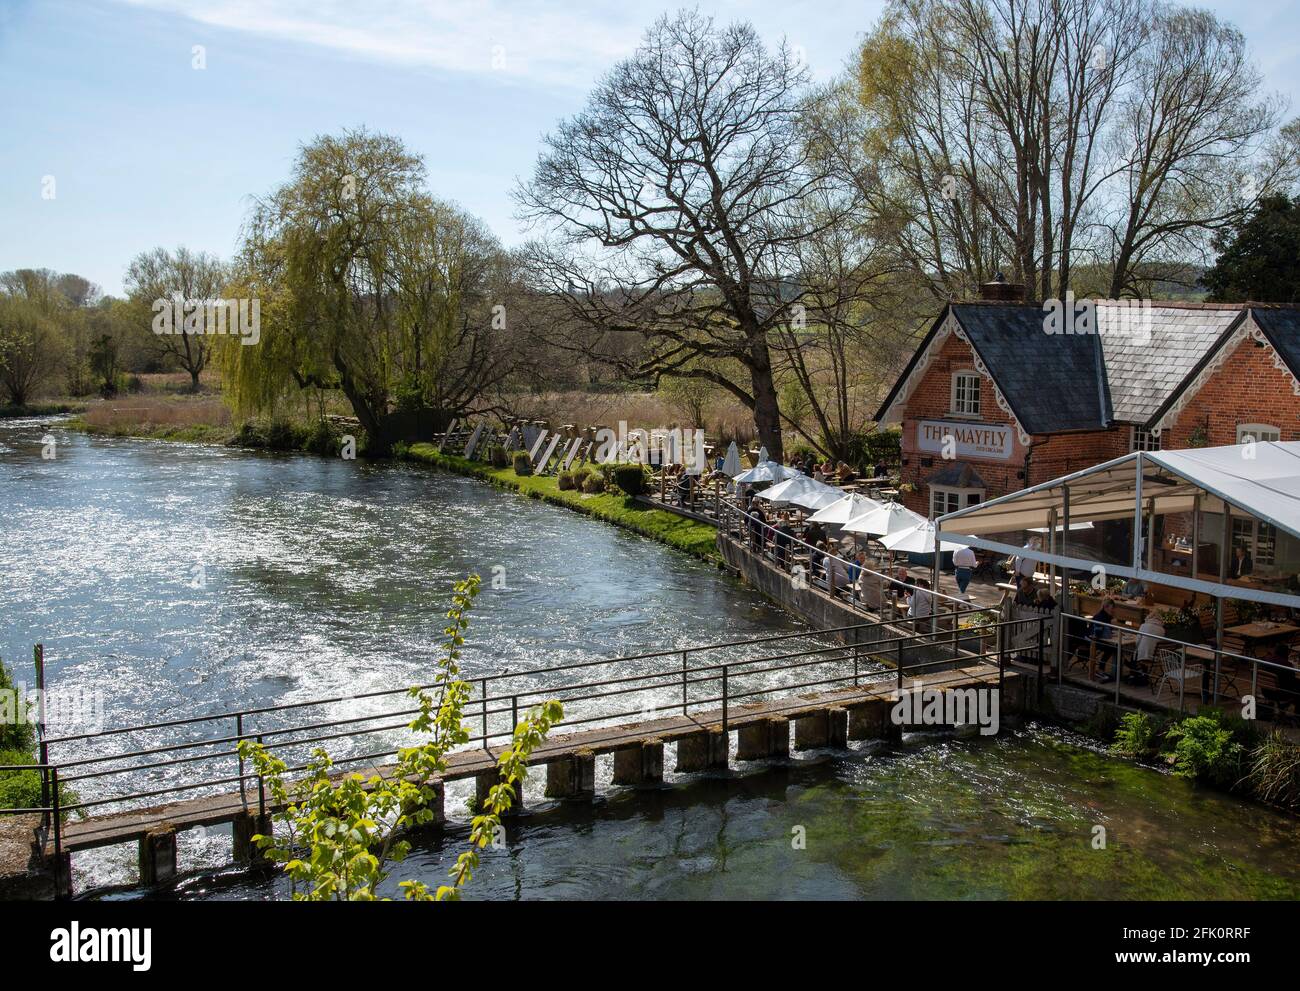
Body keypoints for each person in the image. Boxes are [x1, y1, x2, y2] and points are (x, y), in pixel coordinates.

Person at [1088, 598, 1118, 682]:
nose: (1113, 610)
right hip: (1094, 640)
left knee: (1114, 647)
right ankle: (1101, 669)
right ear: (1106, 607)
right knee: (1112, 648)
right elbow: (1098, 633)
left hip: (1100, 639)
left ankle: (1104, 669)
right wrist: (1111, 628)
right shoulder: (1100, 617)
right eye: (1112, 608)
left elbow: (1107, 631)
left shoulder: (1107, 616)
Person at [1133, 610, 1166, 684]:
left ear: (1148, 617)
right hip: (1155, 658)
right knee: (1147, 650)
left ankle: (1137, 675)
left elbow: (1137, 641)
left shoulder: (1144, 626)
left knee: (1136, 653)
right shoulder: (1162, 630)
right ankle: (1144, 675)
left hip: (1142, 656)